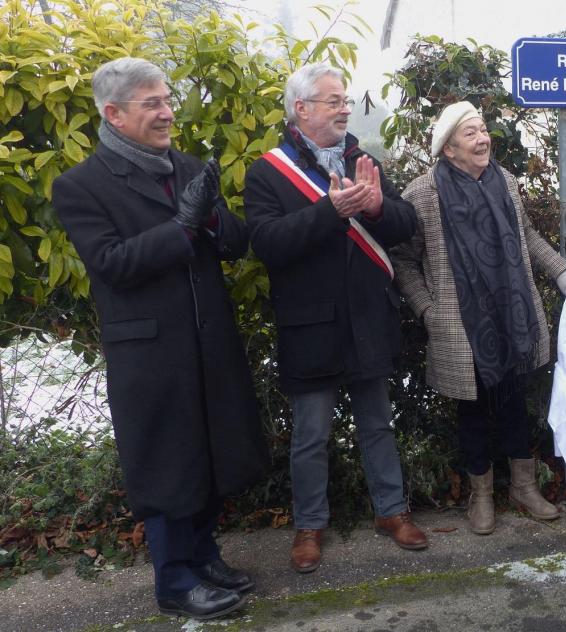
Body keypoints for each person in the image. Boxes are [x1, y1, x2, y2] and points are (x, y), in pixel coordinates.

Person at [52, 57, 267, 620]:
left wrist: (214, 218)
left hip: (207, 339)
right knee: (167, 462)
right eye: (153, 104)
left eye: (168, 100)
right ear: (114, 114)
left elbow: (235, 243)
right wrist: (182, 226)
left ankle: (203, 553)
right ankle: (174, 581)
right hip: (149, 350)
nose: (168, 112)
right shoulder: (80, 186)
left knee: (210, 452)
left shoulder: (187, 166)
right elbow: (112, 263)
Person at [243, 63, 425, 573]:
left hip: (367, 319)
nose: (346, 108)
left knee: (378, 426)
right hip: (311, 325)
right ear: (302, 109)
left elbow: (404, 224)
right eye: (334, 101)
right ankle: (309, 526)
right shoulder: (267, 171)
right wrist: (331, 211)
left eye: (345, 100)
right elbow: (268, 245)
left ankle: (391, 512)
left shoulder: (362, 160)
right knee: (310, 437)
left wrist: (372, 208)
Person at [391, 101, 566, 536]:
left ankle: (523, 488)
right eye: (471, 133)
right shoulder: (423, 192)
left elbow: (526, 235)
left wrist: (561, 271)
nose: (483, 139)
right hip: (461, 322)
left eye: (483, 130)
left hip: (511, 313)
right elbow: (403, 260)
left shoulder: (506, 182)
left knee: (515, 403)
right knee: (472, 411)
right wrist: (427, 310)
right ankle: (481, 496)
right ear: (450, 149)